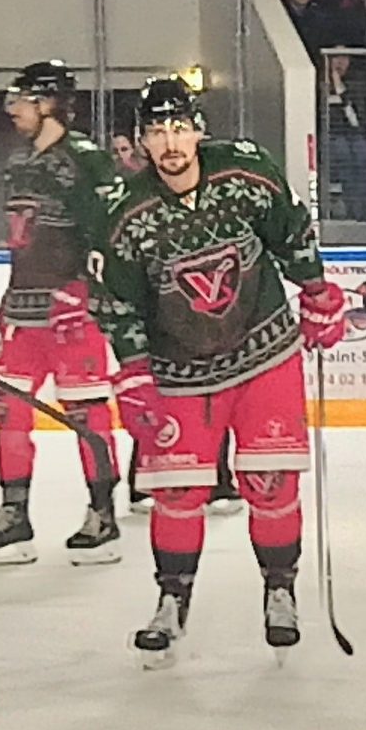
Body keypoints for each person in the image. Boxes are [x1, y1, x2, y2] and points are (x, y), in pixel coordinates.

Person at [90, 76, 348, 666]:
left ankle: (280, 592)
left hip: (264, 355)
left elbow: (289, 231)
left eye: (179, 127)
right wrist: (134, 371)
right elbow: (118, 302)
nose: (170, 142)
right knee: (177, 492)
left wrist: (316, 290)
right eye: (157, 131)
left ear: (198, 131)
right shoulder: (124, 211)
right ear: (141, 141)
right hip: (178, 371)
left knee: (272, 482)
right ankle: (171, 602)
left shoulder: (247, 172)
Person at [0, 62, 124, 568]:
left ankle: (103, 514)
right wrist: (7, 298)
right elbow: (24, 240)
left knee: (86, 412)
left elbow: (111, 234)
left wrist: (87, 292)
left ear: (49, 103)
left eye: (21, 100)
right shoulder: (18, 162)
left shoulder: (87, 160)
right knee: (8, 409)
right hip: (24, 310)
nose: (12, 110)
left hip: (71, 312)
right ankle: (15, 514)